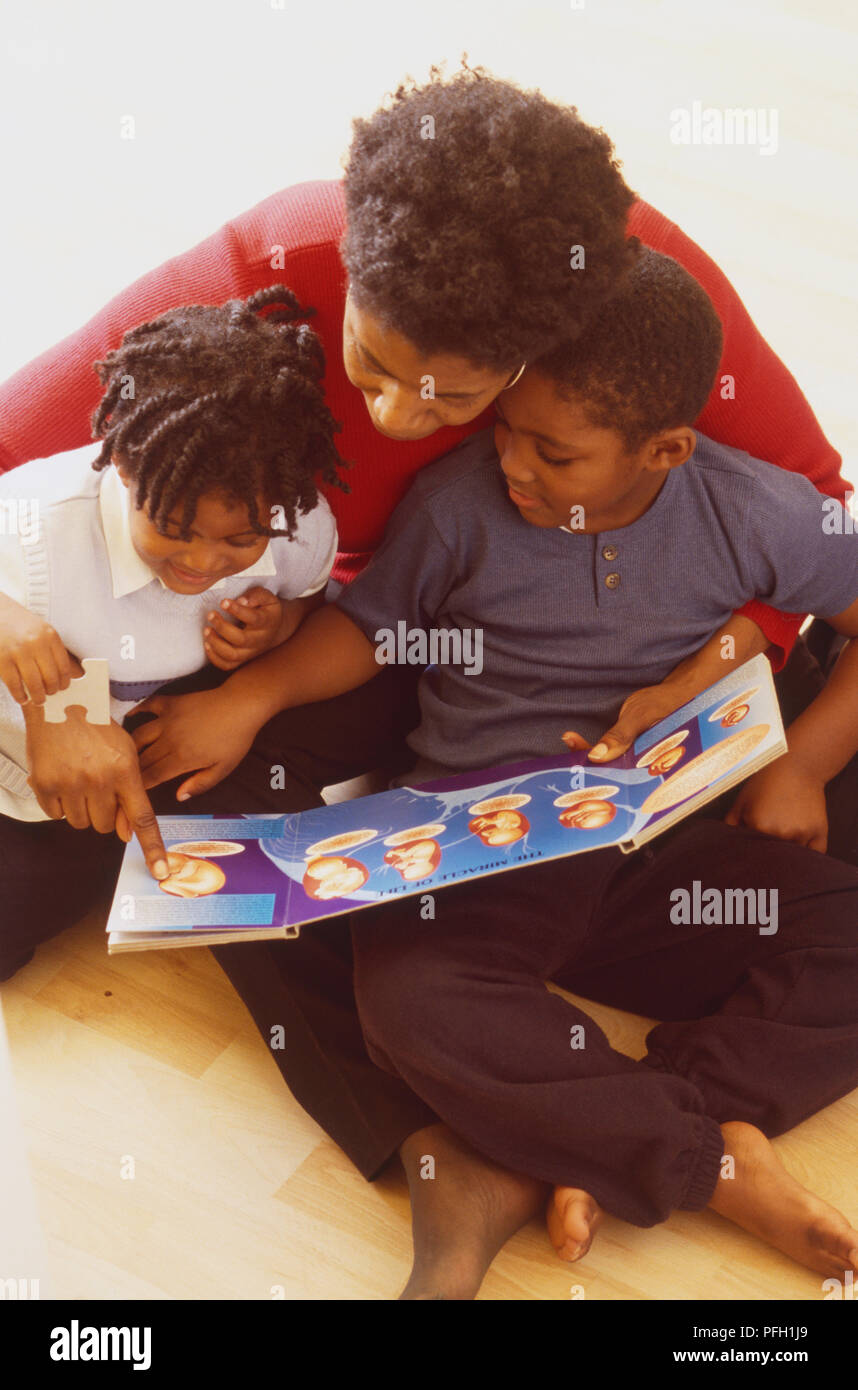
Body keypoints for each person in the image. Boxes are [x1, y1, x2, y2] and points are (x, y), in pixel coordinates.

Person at [0, 64, 851, 1291]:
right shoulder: (275, 280)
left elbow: (804, 512)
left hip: (626, 736)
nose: (402, 414)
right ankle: (471, 1143)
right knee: (206, 809)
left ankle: (619, 1124)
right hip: (366, 649)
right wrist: (80, 694)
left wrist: (736, 660)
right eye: (376, 363)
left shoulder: (632, 308)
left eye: (460, 391)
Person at [0, 285, 342, 973]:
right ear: (123, 468)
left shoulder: (298, 527)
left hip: (173, 750)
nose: (201, 564)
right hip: (30, 778)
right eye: (175, 531)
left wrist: (280, 627)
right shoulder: (31, 526)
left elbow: (316, 599)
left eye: (239, 540)